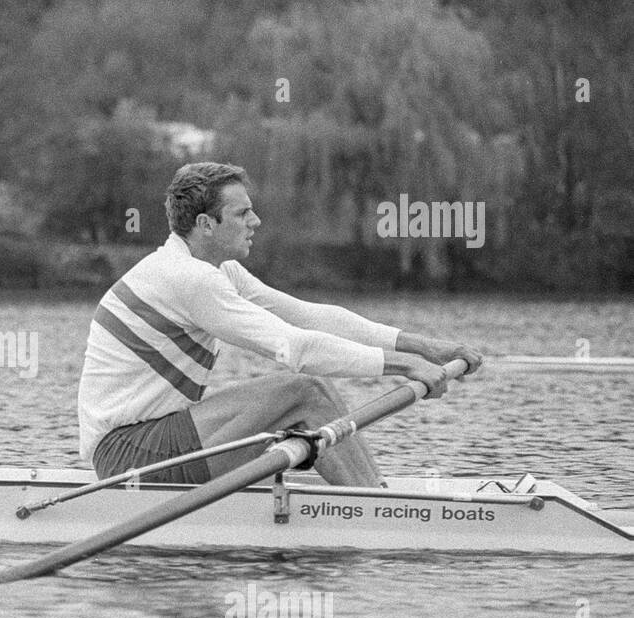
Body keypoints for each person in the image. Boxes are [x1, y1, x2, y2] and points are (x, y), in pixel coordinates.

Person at [77, 162, 483, 487]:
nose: (256, 221)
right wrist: (404, 367)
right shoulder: (188, 279)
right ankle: (374, 506)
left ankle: (372, 495)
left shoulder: (217, 270)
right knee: (306, 392)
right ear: (205, 225)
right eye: (242, 212)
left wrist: (421, 348)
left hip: (152, 441)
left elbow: (308, 316)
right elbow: (297, 350)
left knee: (310, 393)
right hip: (129, 455)